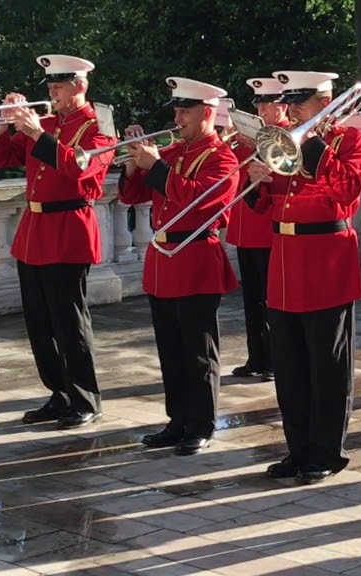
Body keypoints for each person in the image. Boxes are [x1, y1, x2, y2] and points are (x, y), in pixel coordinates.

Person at [245, 70, 361, 485]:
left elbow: (348, 189)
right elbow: (269, 205)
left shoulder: (350, 140)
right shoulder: (282, 140)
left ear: (327, 101)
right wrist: (255, 183)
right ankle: (297, 449)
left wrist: (311, 141)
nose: (293, 107)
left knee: (328, 366)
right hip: (284, 261)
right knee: (291, 366)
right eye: (291, 99)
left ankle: (327, 451)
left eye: (302, 100)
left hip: (326, 261)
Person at [0, 54, 116, 430]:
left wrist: (37, 134)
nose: (52, 92)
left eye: (59, 85)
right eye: (49, 86)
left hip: (69, 227)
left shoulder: (98, 124)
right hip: (35, 229)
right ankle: (59, 393)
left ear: (80, 86)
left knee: (69, 322)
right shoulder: (47, 122)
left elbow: (82, 170)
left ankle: (85, 398)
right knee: (39, 323)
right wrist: (3, 125)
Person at [118, 77, 239, 455]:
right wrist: (135, 164)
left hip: (196, 257)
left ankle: (201, 423)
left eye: (185, 111)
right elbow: (130, 196)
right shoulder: (173, 154)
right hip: (164, 258)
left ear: (207, 113)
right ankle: (177, 419)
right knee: (170, 348)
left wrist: (155, 165)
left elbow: (195, 199)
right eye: (176, 109)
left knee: (199, 351)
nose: (177, 117)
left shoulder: (224, 158)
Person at [225, 77, 290, 381]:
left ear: (283, 106)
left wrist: (259, 148)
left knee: (271, 300)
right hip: (245, 230)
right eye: (259, 104)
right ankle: (257, 357)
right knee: (252, 301)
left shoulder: (288, 136)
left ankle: (276, 358)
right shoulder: (243, 142)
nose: (262, 109)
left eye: (268, 104)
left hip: (268, 230)